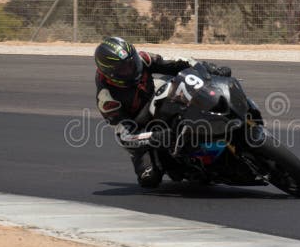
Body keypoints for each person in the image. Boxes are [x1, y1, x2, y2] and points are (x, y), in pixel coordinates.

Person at [94, 36, 231, 187]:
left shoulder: (143, 59)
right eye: (124, 68)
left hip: (156, 96)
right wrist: (155, 136)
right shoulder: (107, 99)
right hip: (141, 128)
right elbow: (125, 137)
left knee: (184, 88)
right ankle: (179, 165)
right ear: (111, 73)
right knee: (149, 179)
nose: (132, 68)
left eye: (132, 62)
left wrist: (207, 68)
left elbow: (177, 62)